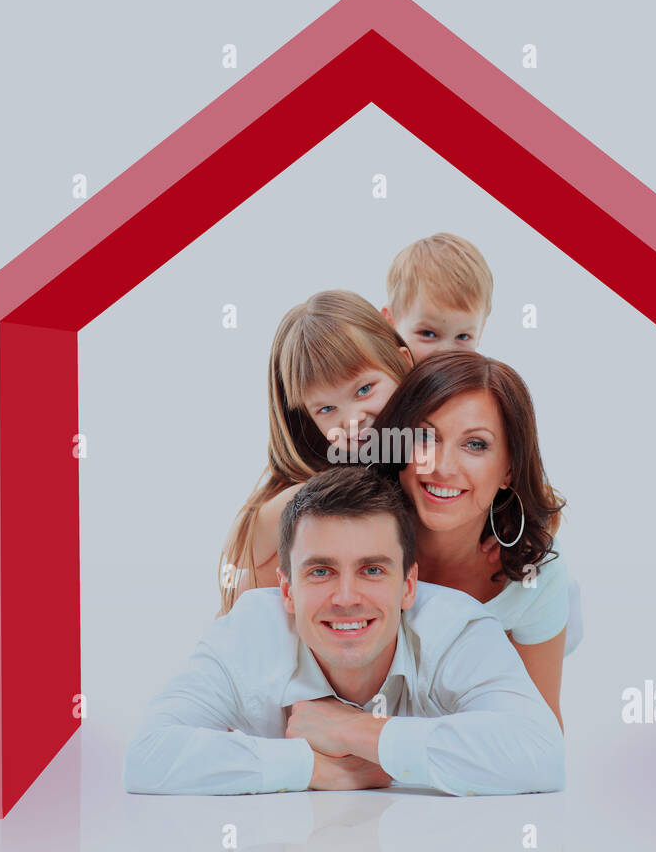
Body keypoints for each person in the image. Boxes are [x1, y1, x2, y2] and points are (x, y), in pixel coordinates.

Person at [125, 466, 565, 797]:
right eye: (321, 571)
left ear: (408, 586)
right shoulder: (250, 631)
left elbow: (543, 754)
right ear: (287, 590)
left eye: (373, 569)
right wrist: (307, 767)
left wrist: (358, 731)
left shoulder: (455, 629)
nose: (346, 597)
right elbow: (145, 755)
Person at [375, 351, 576, 729]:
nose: (442, 466)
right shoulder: (350, 534)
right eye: (424, 436)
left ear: (510, 470)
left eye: (476, 445)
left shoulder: (536, 573)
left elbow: (540, 737)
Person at [218, 291, 412, 614]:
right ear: (308, 419)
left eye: (364, 389)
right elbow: (241, 549)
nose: (351, 421)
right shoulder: (320, 477)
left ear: (403, 362)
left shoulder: (428, 440)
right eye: (326, 408)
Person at [381, 233, 493, 362]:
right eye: (428, 334)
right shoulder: (381, 379)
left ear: (480, 333)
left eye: (462, 337)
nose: (446, 355)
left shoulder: (483, 380)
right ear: (390, 323)